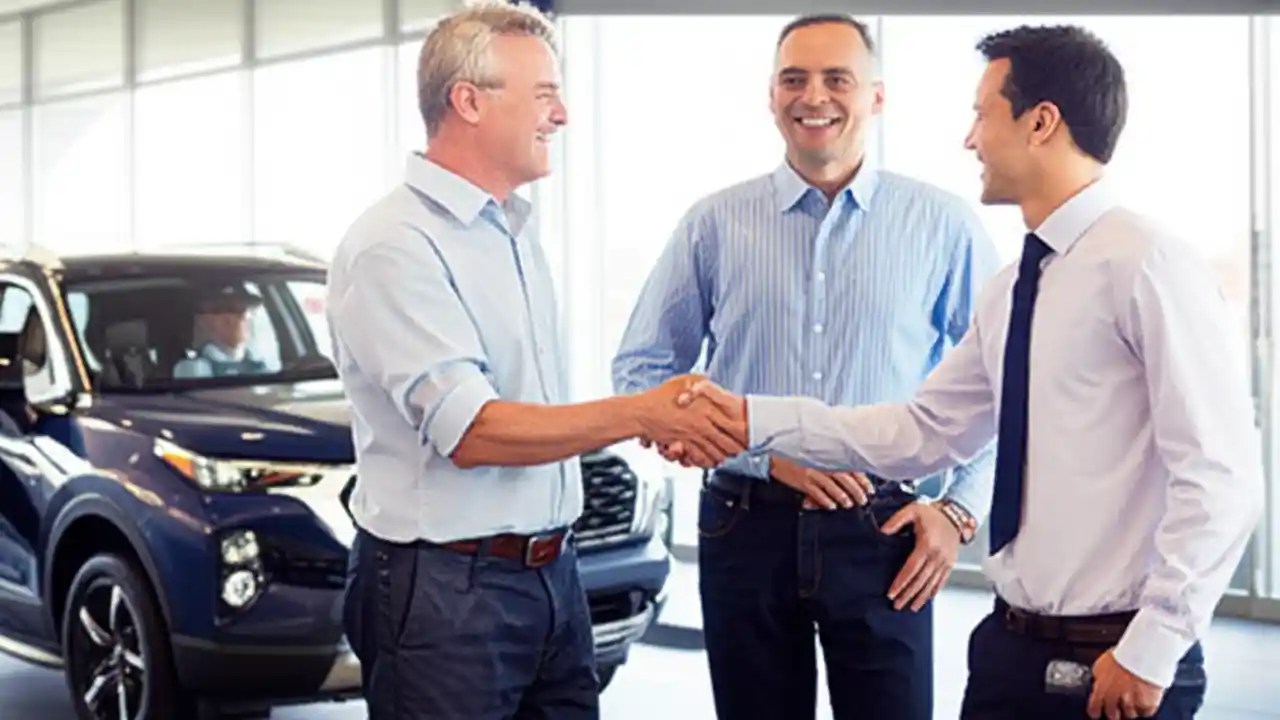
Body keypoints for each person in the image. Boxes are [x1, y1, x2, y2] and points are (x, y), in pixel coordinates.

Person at [678, 23, 1264, 720]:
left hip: (1113, 654)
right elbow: (922, 431)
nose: (969, 139)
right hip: (1010, 645)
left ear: (1040, 122)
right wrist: (751, 421)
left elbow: (1222, 473)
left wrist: (1155, 645)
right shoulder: (1016, 283)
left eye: (982, 113)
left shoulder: (1147, 262)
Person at [325, 4, 743, 719]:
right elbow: (473, 430)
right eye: (544, 94)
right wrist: (640, 411)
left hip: (552, 578)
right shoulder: (394, 246)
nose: (564, 115)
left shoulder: (513, 230)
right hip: (445, 597)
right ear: (469, 101)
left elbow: (531, 410)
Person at [611, 14, 999, 720]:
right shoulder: (713, 223)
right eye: (794, 79)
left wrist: (959, 510)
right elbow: (641, 373)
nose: (812, 96)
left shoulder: (942, 225)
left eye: (836, 79)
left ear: (875, 97)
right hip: (743, 524)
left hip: (885, 529)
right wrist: (765, 455)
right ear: (770, 95)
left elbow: (1006, 390)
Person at [172, 284, 270, 378]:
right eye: (229, 309)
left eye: (243, 308)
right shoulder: (194, 370)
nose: (243, 316)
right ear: (202, 320)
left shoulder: (261, 367)